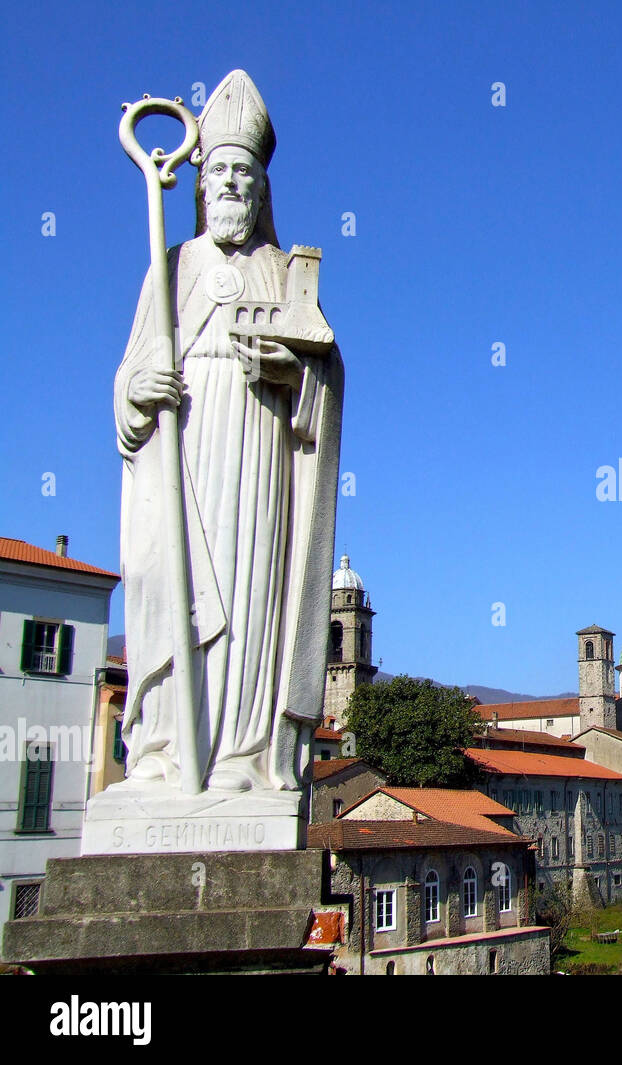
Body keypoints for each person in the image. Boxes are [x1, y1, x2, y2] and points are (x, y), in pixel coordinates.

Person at [112, 70, 343, 794]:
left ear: (261, 189)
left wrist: (296, 374)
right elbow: (128, 374)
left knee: (250, 599)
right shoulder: (169, 266)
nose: (232, 184)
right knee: (165, 578)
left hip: (260, 451)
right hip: (182, 452)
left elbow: (328, 372)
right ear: (200, 186)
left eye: (245, 172)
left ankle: (240, 754)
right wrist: (136, 393)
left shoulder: (284, 271)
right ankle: (164, 752)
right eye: (219, 172)